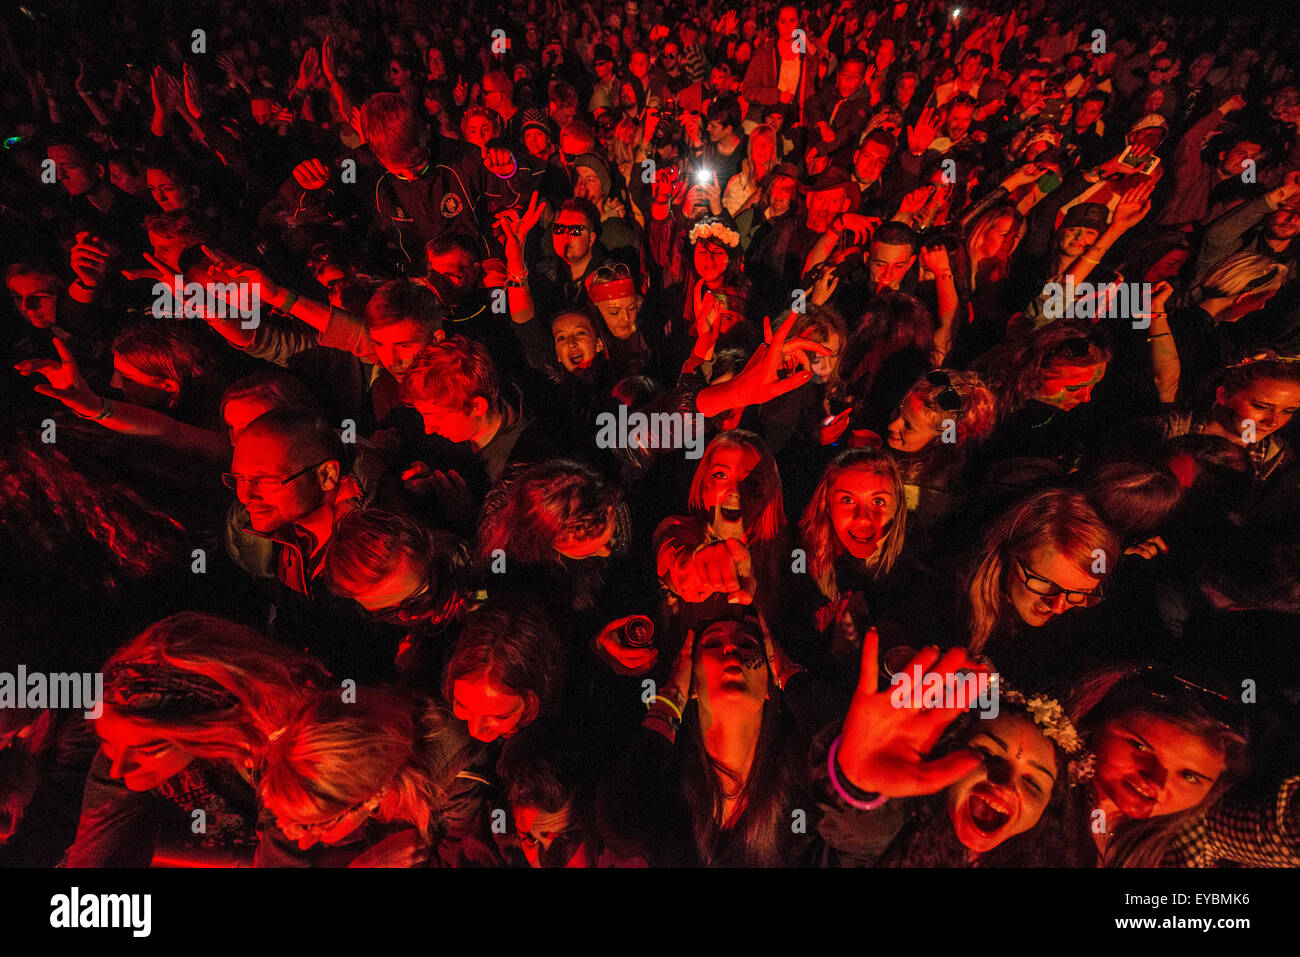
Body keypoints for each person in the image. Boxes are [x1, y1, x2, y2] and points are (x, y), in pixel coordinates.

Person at [64, 613, 328, 867]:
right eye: (107, 742)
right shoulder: (127, 745)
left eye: (150, 751)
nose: (117, 768)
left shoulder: (292, 751)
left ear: (208, 722)